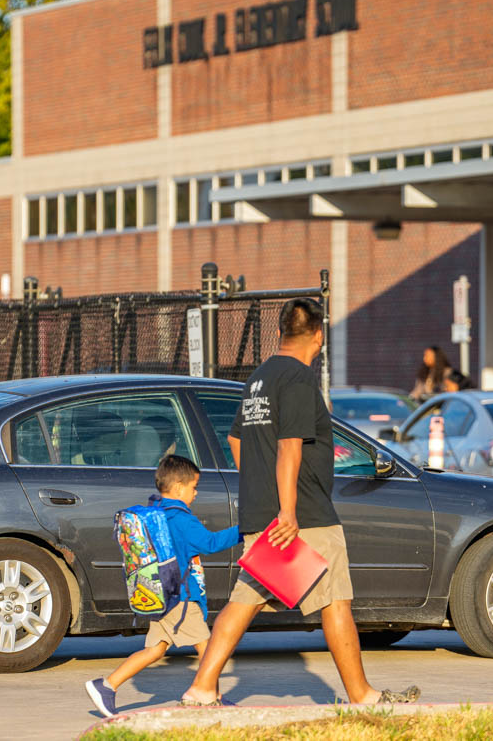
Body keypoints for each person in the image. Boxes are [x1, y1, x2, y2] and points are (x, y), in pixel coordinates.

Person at [181, 298, 418, 707]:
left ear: (279, 333)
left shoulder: (259, 378)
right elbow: (290, 446)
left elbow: (236, 439)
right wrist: (287, 510)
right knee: (336, 600)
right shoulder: (298, 377)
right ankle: (361, 695)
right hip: (304, 515)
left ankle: (201, 688)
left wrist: (261, 488)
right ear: (319, 336)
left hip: (262, 512)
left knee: (246, 598)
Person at [85, 455, 241, 717]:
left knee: (155, 650)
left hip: (160, 594)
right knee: (208, 649)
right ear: (179, 488)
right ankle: (211, 697)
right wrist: (244, 530)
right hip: (181, 598)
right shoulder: (181, 519)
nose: (196, 493)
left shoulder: (156, 514)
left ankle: (106, 685)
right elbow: (210, 543)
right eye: (194, 487)